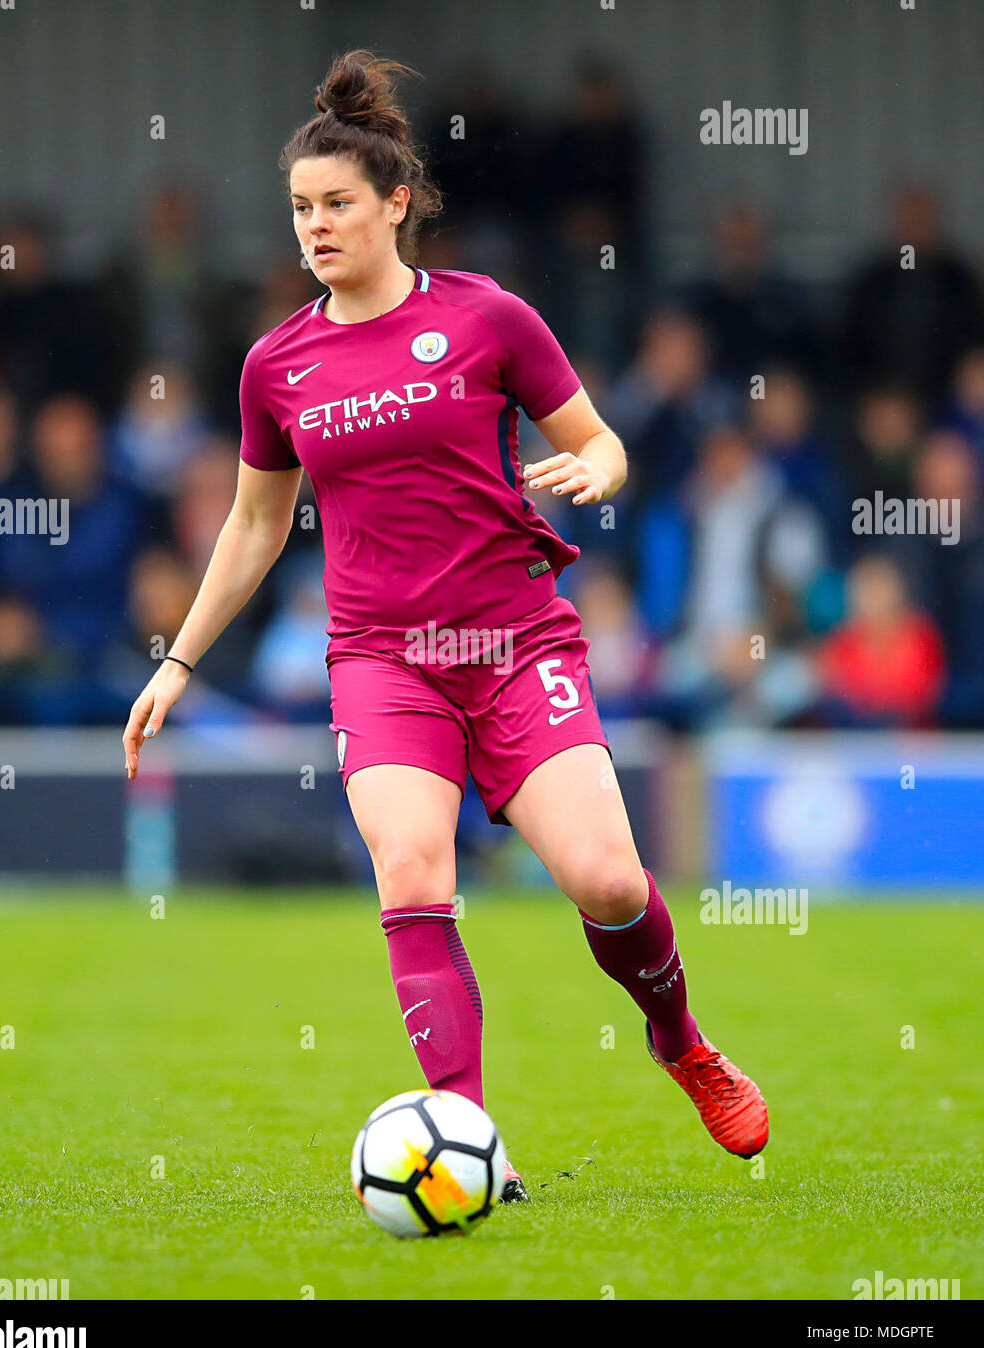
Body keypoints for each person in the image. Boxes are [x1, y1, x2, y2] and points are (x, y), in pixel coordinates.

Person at [122, 51, 768, 1202]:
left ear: (394, 204)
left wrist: (595, 470)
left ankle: (681, 1044)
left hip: (515, 641)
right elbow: (254, 525)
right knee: (411, 868)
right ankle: (465, 1133)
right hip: (380, 660)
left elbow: (600, 439)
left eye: (335, 205)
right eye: (299, 210)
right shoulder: (277, 364)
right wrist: (178, 659)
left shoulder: (486, 317)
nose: (313, 228)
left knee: (610, 881)